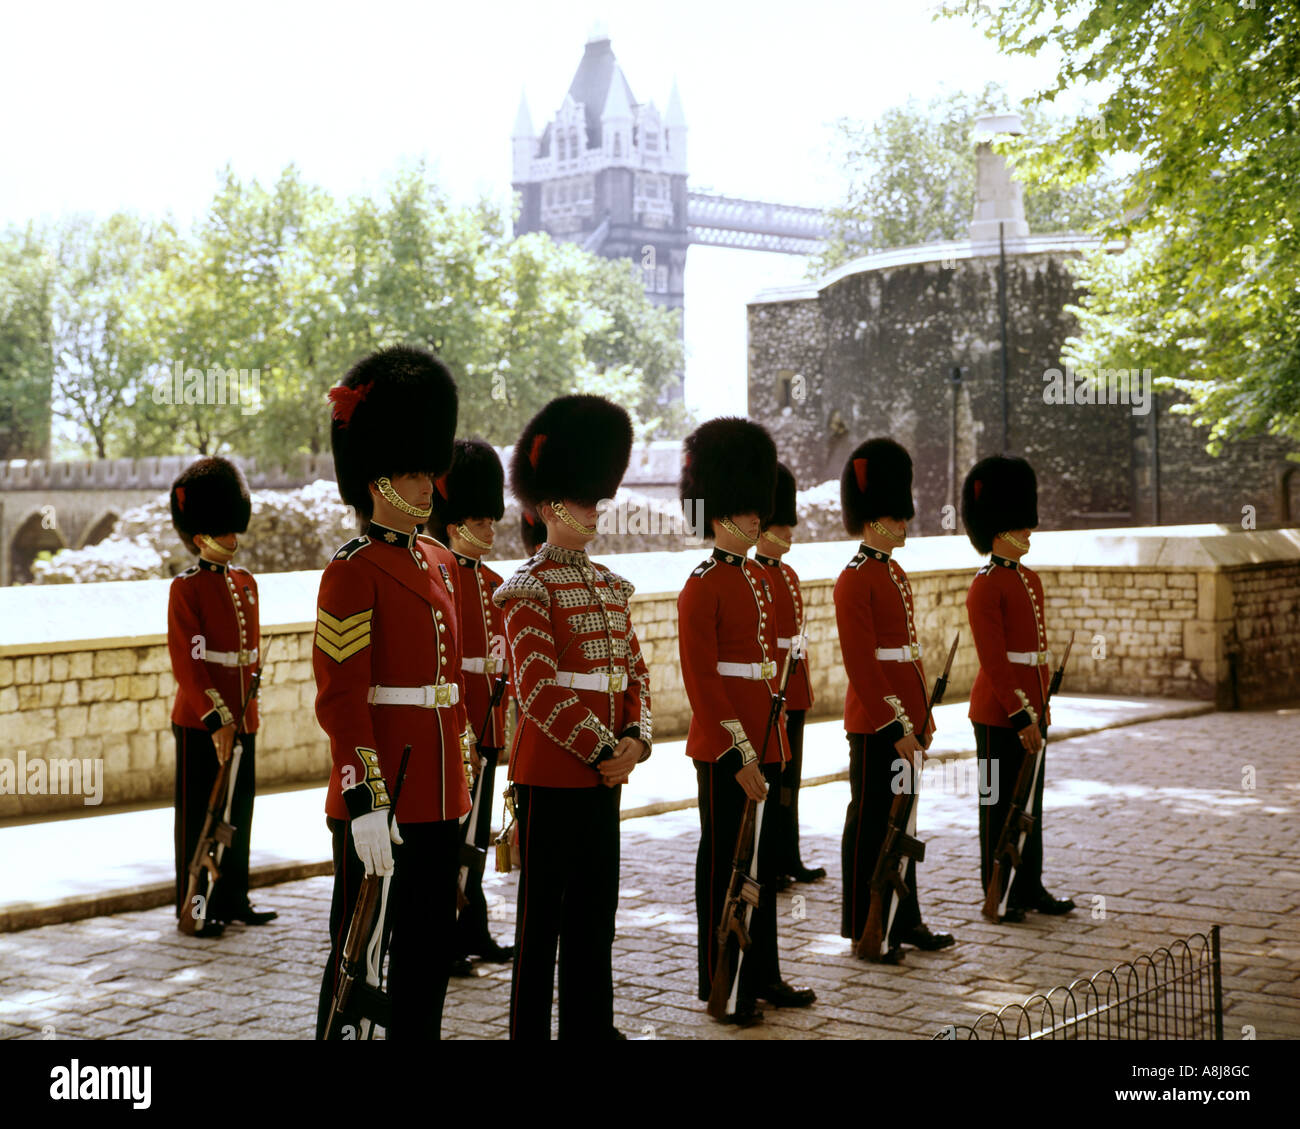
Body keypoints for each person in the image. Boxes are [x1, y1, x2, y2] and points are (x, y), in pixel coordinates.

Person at [313, 345, 476, 1040]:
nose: (429, 486)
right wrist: (364, 800)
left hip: (440, 790)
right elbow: (341, 697)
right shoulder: (351, 572)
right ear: (379, 479)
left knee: (427, 956)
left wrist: (465, 784)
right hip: (386, 795)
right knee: (360, 960)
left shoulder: (438, 559)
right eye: (415, 472)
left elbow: (452, 684)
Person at [492, 394, 652, 1041]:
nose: (594, 509)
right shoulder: (526, 587)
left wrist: (636, 740)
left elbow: (634, 673)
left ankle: (593, 1028)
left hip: (602, 776)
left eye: (595, 498)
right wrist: (603, 748)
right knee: (541, 926)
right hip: (553, 774)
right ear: (552, 504)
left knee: (596, 914)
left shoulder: (611, 587)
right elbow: (537, 688)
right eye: (585, 499)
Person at [678, 417, 816, 1028]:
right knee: (726, 866)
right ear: (718, 512)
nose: (759, 520)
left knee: (758, 868)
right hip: (725, 747)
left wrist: (769, 742)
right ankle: (724, 980)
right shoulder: (701, 585)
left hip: (764, 737)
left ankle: (763, 972)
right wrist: (740, 751)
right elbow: (703, 681)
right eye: (747, 509)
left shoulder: (755, 580)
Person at [835, 438, 954, 961]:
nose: (904, 522)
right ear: (871, 518)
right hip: (876, 726)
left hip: (908, 721)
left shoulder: (893, 573)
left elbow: (906, 655)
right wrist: (896, 725)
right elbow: (863, 664)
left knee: (903, 824)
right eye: (893, 515)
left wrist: (921, 718)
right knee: (871, 824)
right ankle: (866, 922)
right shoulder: (855, 578)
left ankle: (905, 919)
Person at [168, 456, 277, 936]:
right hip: (201, 722)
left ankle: (234, 897)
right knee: (198, 820)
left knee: (238, 814)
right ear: (198, 537)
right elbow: (189, 664)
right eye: (222, 531)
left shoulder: (245, 585)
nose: (233, 539)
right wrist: (218, 719)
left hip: (244, 717)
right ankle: (193, 908)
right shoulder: (185, 589)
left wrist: (243, 715)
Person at [962, 454, 1074, 922]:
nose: (1029, 531)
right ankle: (998, 891)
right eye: (1021, 524)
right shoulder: (985, 585)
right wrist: (1021, 714)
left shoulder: (1029, 580)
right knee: (998, 807)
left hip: (1032, 709)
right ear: (999, 527)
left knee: (1030, 805)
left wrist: (1038, 711)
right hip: (997, 714)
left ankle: (1029, 886)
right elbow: (995, 660)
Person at [432, 437, 515, 974]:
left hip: (487, 723)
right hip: (456, 727)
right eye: (479, 521)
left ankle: (474, 926)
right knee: (449, 842)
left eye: (491, 519)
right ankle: (446, 936)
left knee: (476, 837)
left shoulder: (491, 583)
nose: (489, 530)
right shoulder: (440, 576)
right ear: (454, 521)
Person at [754, 461, 824, 887]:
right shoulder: (756, 575)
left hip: (793, 690)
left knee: (791, 783)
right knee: (773, 780)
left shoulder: (788, 575)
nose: (791, 531)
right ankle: (769, 861)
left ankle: (789, 856)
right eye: (783, 525)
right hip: (772, 693)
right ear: (765, 528)